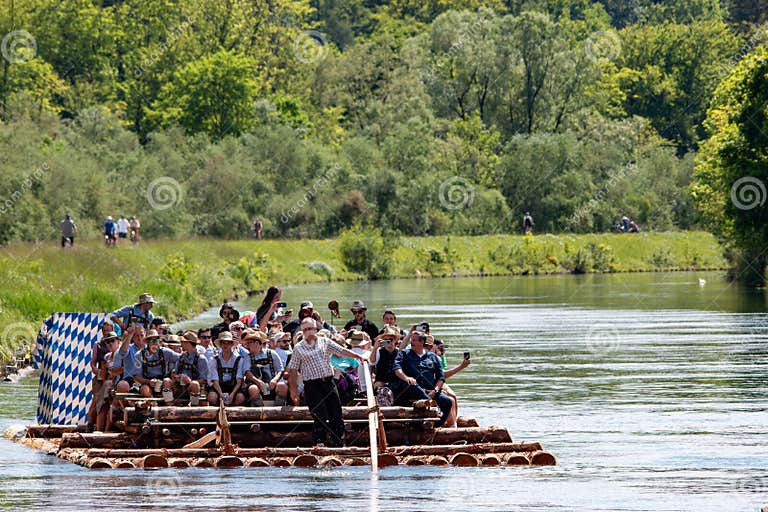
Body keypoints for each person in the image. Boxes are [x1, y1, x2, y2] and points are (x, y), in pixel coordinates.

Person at [287, 317, 366, 447]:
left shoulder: (325, 341)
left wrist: (358, 356)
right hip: (312, 385)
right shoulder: (298, 348)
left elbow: (341, 350)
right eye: (305, 329)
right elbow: (293, 370)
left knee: (336, 411)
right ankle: (320, 441)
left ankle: (339, 441)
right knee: (319, 414)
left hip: (328, 382)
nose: (309, 332)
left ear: (315, 329)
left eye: (310, 328)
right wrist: (293, 390)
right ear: (302, 331)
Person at [392, 333, 454, 427]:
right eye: (411, 340)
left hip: (431, 390)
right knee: (413, 384)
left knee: (447, 401)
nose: (411, 342)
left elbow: (441, 377)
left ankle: (435, 425)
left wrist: (436, 390)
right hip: (411, 388)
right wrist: (406, 378)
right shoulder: (404, 354)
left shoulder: (432, 357)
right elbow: (397, 369)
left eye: (414, 340)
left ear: (421, 342)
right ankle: (432, 406)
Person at [429, 339, 469, 428]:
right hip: (433, 383)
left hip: (438, 382)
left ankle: (453, 423)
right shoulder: (429, 357)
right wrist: (461, 367)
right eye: (440, 349)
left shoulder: (440, 357)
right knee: (449, 398)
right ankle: (451, 424)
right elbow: (442, 375)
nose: (442, 352)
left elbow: (442, 376)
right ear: (433, 347)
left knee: (453, 396)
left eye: (443, 349)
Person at [86, 329, 120, 431]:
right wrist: (102, 370)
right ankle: (94, 427)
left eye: (112, 341)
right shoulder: (107, 356)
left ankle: (102, 429)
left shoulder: (122, 354)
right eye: (107, 342)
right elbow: (95, 365)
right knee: (99, 401)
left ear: (118, 341)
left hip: (117, 384)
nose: (110, 343)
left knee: (103, 398)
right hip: (106, 382)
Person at [133, 329, 179, 400]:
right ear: (148, 342)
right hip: (147, 383)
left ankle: (169, 403)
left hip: (164, 383)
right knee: (144, 389)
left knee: (167, 381)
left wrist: (175, 371)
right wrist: (149, 382)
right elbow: (136, 376)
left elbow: (180, 358)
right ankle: (153, 403)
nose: (155, 343)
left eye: (157, 340)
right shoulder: (139, 355)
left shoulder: (165, 352)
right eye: (152, 340)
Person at [243, 329, 286, 405]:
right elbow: (247, 373)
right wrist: (258, 382)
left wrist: (274, 380)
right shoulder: (248, 357)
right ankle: (259, 411)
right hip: (256, 384)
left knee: (282, 386)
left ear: (256, 343)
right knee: (253, 389)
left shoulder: (272, 353)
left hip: (271, 383)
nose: (247, 346)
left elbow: (280, 370)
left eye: (249, 343)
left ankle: (278, 411)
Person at [208, 331, 248, 406]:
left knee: (240, 398)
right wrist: (220, 394)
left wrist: (232, 394)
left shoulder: (239, 359)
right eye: (223, 343)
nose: (225, 346)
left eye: (228, 343)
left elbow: (239, 381)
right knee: (212, 397)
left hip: (234, 387)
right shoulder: (214, 359)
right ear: (220, 344)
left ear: (232, 344)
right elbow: (215, 381)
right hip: (219, 387)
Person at [172, 332, 209, 406]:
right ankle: (170, 405)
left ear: (188, 343)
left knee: (194, 384)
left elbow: (204, 380)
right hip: (180, 387)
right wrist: (176, 377)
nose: (180, 344)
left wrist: (190, 381)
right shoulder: (182, 357)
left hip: (193, 389)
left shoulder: (201, 359)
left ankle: (194, 406)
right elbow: (175, 373)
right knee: (167, 381)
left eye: (182, 342)